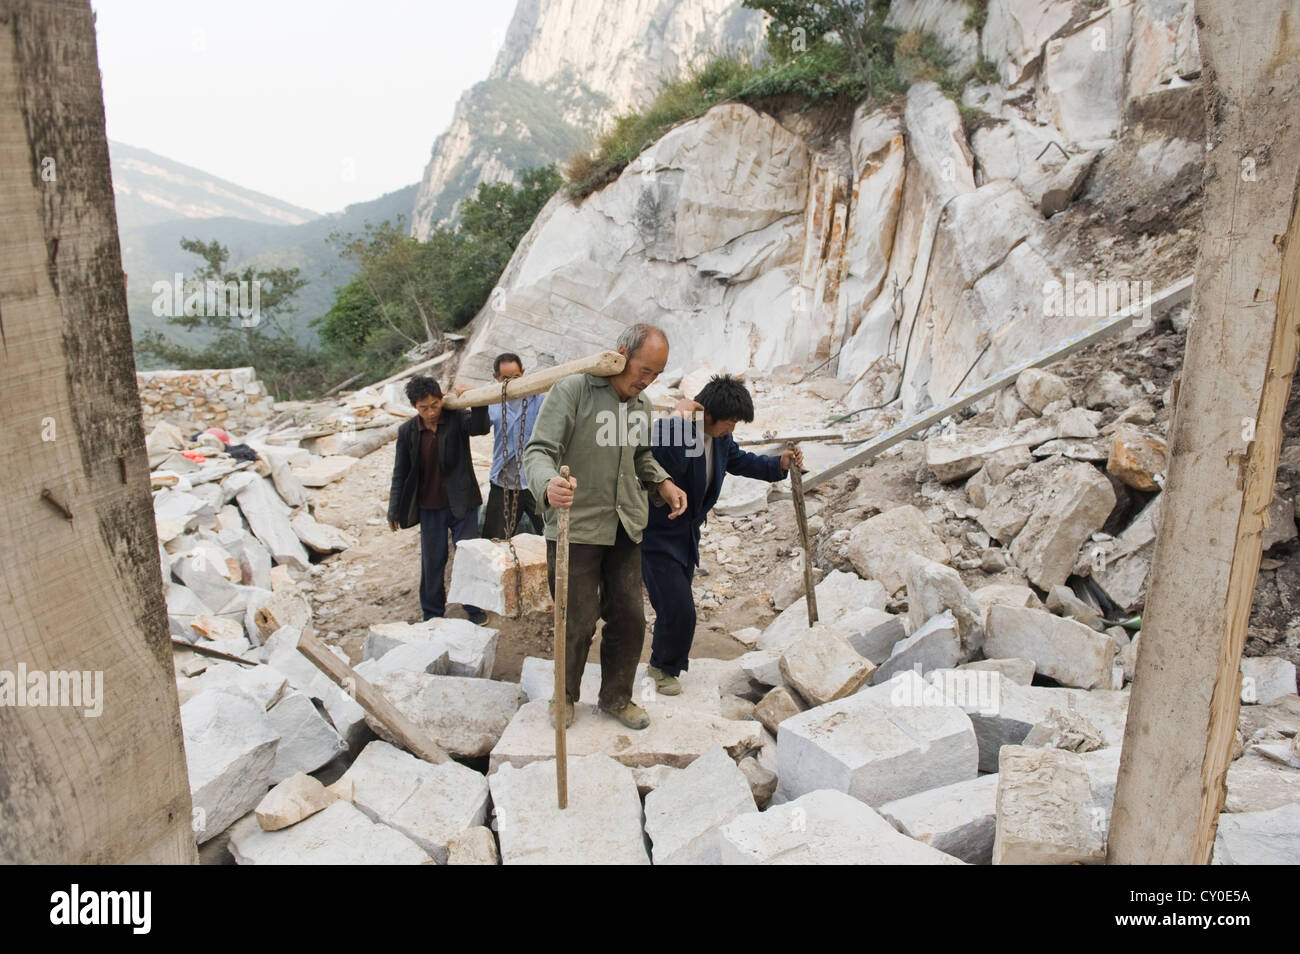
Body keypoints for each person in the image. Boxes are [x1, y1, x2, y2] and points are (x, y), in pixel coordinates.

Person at [524, 323, 688, 730]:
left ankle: (616, 697)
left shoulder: (640, 406)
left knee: (630, 618)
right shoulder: (573, 391)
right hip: (574, 527)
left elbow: (640, 457)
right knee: (575, 619)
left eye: (656, 375)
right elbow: (539, 451)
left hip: (624, 526)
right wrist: (549, 485)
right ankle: (563, 696)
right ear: (620, 353)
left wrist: (662, 482)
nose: (647, 381)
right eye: (644, 370)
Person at [641, 374, 802, 694]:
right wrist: (677, 420)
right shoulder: (677, 434)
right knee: (679, 608)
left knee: (674, 605)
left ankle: (661, 663)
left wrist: (778, 464)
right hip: (656, 536)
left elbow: (743, 462)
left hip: (686, 537)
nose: (732, 428)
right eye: (730, 421)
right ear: (708, 414)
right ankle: (664, 670)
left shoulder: (721, 440)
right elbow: (654, 455)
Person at [388, 375, 491, 624]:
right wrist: (394, 510)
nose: (431, 412)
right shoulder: (408, 432)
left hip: (462, 503)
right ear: (415, 407)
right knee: (433, 561)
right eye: (424, 408)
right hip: (429, 507)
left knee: (468, 556)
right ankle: (432, 613)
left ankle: (474, 608)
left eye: (435, 405)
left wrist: (476, 400)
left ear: (442, 399)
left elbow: (481, 428)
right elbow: (400, 473)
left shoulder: (456, 419)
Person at [481, 352, 545, 539]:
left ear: (523, 373)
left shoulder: (539, 401)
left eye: (516, 377)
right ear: (496, 378)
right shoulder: (492, 402)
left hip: (536, 482)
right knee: (494, 542)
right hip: (504, 483)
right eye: (505, 379)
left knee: (554, 538)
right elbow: (478, 426)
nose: (512, 383)